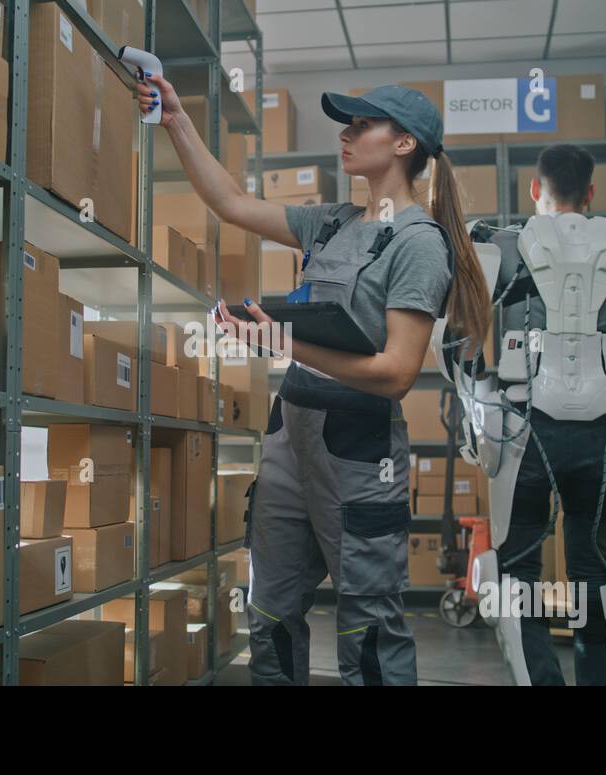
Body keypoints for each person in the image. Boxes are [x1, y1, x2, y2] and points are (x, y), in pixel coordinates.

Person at [136, 76, 490, 685]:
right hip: (289, 433)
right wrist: (176, 120)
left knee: (367, 626)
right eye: (346, 124)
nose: (345, 134)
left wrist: (282, 341)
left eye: (362, 125)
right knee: (269, 612)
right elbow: (230, 202)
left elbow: (397, 373)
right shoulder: (330, 222)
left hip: (358, 447)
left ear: (404, 144)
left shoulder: (419, 244)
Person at [432, 144, 606, 685]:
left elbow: (459, 346)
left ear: (535, 190)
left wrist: (483, 405)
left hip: (522, 435)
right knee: (597, 567)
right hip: (602, 439)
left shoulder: (498, 247)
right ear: (591, 194)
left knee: (514, 572)